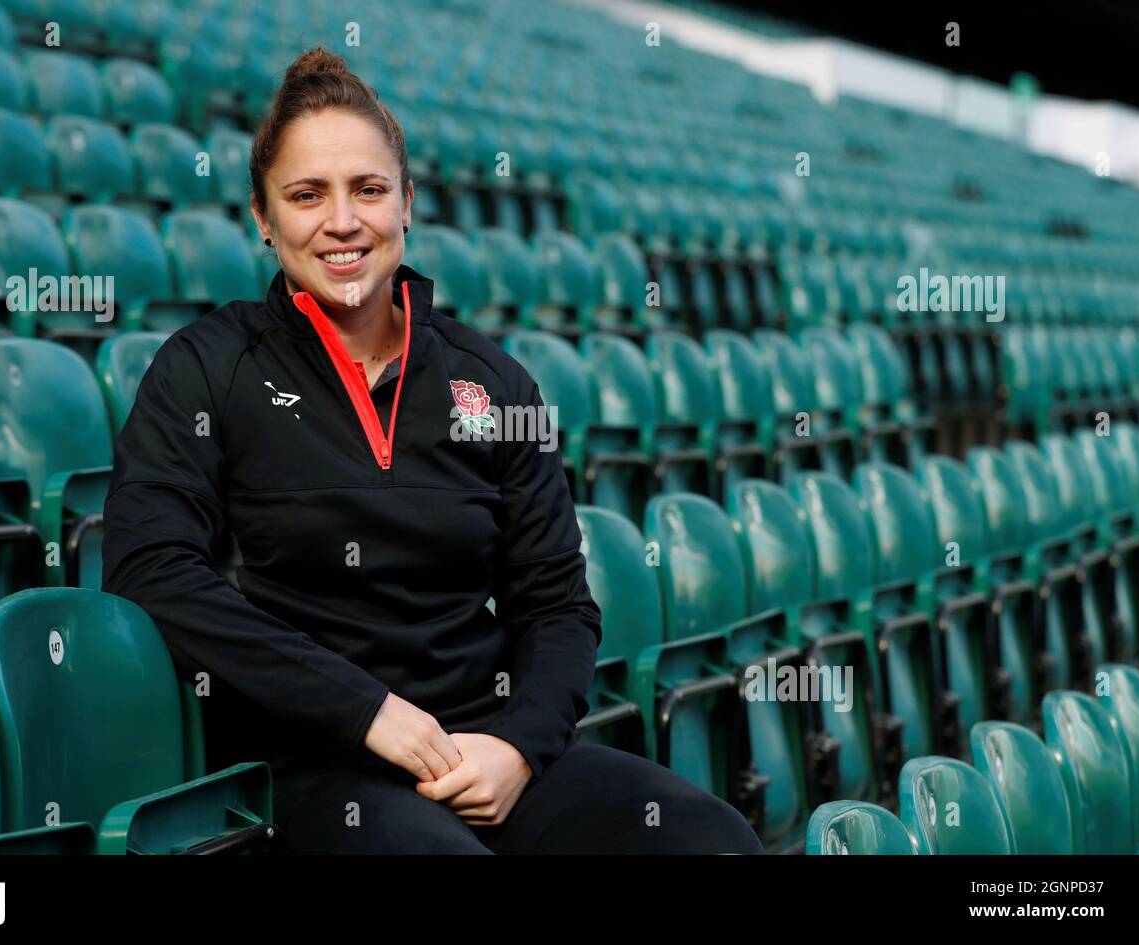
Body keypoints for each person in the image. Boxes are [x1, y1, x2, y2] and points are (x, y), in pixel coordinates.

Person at [101, 45, 762, 855]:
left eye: (368, 190)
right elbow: (152, 569)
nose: (342, 221)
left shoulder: (495, 381)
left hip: (480, 753)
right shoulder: (203, 368)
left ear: (406, 204)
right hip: (315, 769)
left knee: (712, 838)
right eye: (307, 195)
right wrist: (367, 710)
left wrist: (518, 747)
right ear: (263, 218)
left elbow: (556, 604)